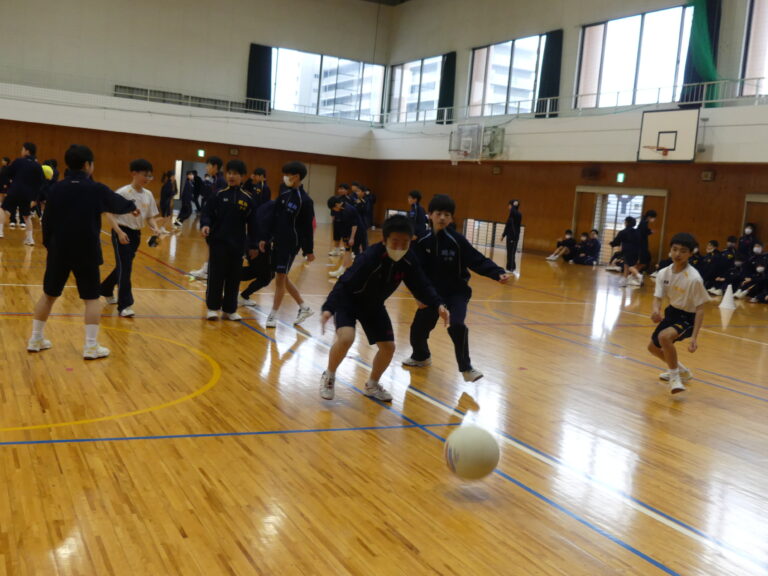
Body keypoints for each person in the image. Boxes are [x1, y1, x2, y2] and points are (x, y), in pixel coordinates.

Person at [319, 214, 449, 401]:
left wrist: (438, 304)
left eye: (405, 242)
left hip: (373, 306)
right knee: (347, 338)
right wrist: (329, 308)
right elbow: (344, 282)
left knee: (388, 347)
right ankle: (329, 375)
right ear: (384, 239)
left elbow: (422, 284)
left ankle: (372, 385)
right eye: (395, 241)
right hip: (349, 302)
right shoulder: (370, 257)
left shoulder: (408, 259)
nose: (399, 247)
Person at [27, 144, 138, 359]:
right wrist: (132, 205)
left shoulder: (56, 188)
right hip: (86, 250)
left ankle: (35, 339)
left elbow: (46, 221)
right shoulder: (95, 189)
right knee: (91, 298)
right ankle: (90, 346)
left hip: (59, 249)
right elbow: (117, 203)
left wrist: (51, 245)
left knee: (49, 295)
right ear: (88, 165)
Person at [403, 194, 510, 382]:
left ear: (452, 218)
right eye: (438, 213)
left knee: (457, 325)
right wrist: (419, 296)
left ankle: (466, 368)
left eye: (447, 214)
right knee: (418, 330)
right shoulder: (421, 241)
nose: (442, 218)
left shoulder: (457, 241)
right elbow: (414, 272)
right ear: (430, 215)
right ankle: (421, 357)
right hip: (430, 294)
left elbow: (477, 259)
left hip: (456, 293)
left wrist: (497, 272)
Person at [100, 158, 163, 317]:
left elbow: (149, 217)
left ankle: (105, 288)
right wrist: (119, 232)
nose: (148, 179)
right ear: (134, 173)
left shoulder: (148, 194)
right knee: (126, 268)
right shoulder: (123, 193)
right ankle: (124, 305)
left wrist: (155, 228)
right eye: (145, 175)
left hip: (136, 235)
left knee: (123, 266)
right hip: (122, 232)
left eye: (150, 176)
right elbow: (109, 213)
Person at [648, 233, 709, 394]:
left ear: (690, 253)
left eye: (683, 251)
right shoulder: (663, 273)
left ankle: (675, 379)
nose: (677, 254)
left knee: (664, 337)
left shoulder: (694, 278)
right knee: (652, 348)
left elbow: (701, 309)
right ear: (670, 250)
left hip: (689, 317)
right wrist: (656, 310)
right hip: (672, 313)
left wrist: (695, 337)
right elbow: (658, 297)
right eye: (674, 249)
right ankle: (682, 371)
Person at [259, 161, 315, 328]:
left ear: (296, 176)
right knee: (281, 277)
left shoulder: (305, 201)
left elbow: (307, 228)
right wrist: (266, 238)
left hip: (291, 245)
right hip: (278, 242)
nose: (285, 177)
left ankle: (273, 315)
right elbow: (274, 218)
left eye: (287, 174)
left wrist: (308, 250)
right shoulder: (284, 194)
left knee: (280, 279)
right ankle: (304, 307)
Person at [201, 159, 258, 320]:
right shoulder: (218, 194)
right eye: (229, 173)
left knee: (234, 278)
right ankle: (212, 308)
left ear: (242, 177)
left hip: (238, 245)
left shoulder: (248, 198)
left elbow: (253, 224)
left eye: (235, 174)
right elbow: (207, 214)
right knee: (216, 276)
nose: (231, 176)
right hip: (218, 243)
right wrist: (205, 225)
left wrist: (253, 245)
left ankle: (230, 310)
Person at [189, 157, 227, 279]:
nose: (206, 168)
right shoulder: (215, 180)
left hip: (217, 221)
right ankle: (206, 270)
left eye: (208, 165)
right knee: (210, 245)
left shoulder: (220, 181)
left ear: (215, 166)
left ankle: (208, 271)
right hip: (212, 220)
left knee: (214, 246)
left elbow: (218, 203)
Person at [0, 142, 44, 244]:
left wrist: (11, 180)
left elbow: (8, 173)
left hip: (15, 190)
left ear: (27, 151)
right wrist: (34, 198)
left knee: (2, 209)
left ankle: (0, 231)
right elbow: (40, 183)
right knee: (27, 216)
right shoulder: (37, 166)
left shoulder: (18, 161)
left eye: (22, 149)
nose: (21, 151)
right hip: (27, 194)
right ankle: (30, 239)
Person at [327, 195, 363, 279]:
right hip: (348, 232)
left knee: (357, 253)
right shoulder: (340, 209)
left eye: (333, 208)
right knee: (347, 251)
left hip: (356, 232)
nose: (333, 210)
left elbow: (355, 225)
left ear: (337, 204)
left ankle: (352, 272)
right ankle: (342, 270)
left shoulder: (349, 210)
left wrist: (352, 238)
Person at [609, 216, 640, 286]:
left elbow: (616, 242)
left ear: (626, 223)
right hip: (636, 251)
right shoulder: (637, 232)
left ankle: (639, 276)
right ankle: (624, 281)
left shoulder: (623, 232)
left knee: (630, 266)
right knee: (626, 265)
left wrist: (611, 243)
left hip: (627, 251)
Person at [628, 209, 656, 284]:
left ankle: (632, 276)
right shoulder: (643, 223)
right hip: (641, 245)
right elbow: (643, 233)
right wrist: (650, 231)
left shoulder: (644, 222)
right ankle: (634, 275)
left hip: (642, 245)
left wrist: (649, 231)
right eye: (654, 218)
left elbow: (643, 232)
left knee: (643, 262)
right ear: (649, 217)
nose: (654, 219)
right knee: (642, 262)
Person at [501, 199, 522, 272]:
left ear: (512, 206)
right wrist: (503, 235)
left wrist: (514, 205)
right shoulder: (511, 215)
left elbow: (514, 212)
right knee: (509, 252)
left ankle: (512, 268)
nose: (508, 207)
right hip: (509, 236)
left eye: (509, 205)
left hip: (514, 236)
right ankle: (508, 267)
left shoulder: (517, 214)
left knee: (512, 253)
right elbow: (508, 225)